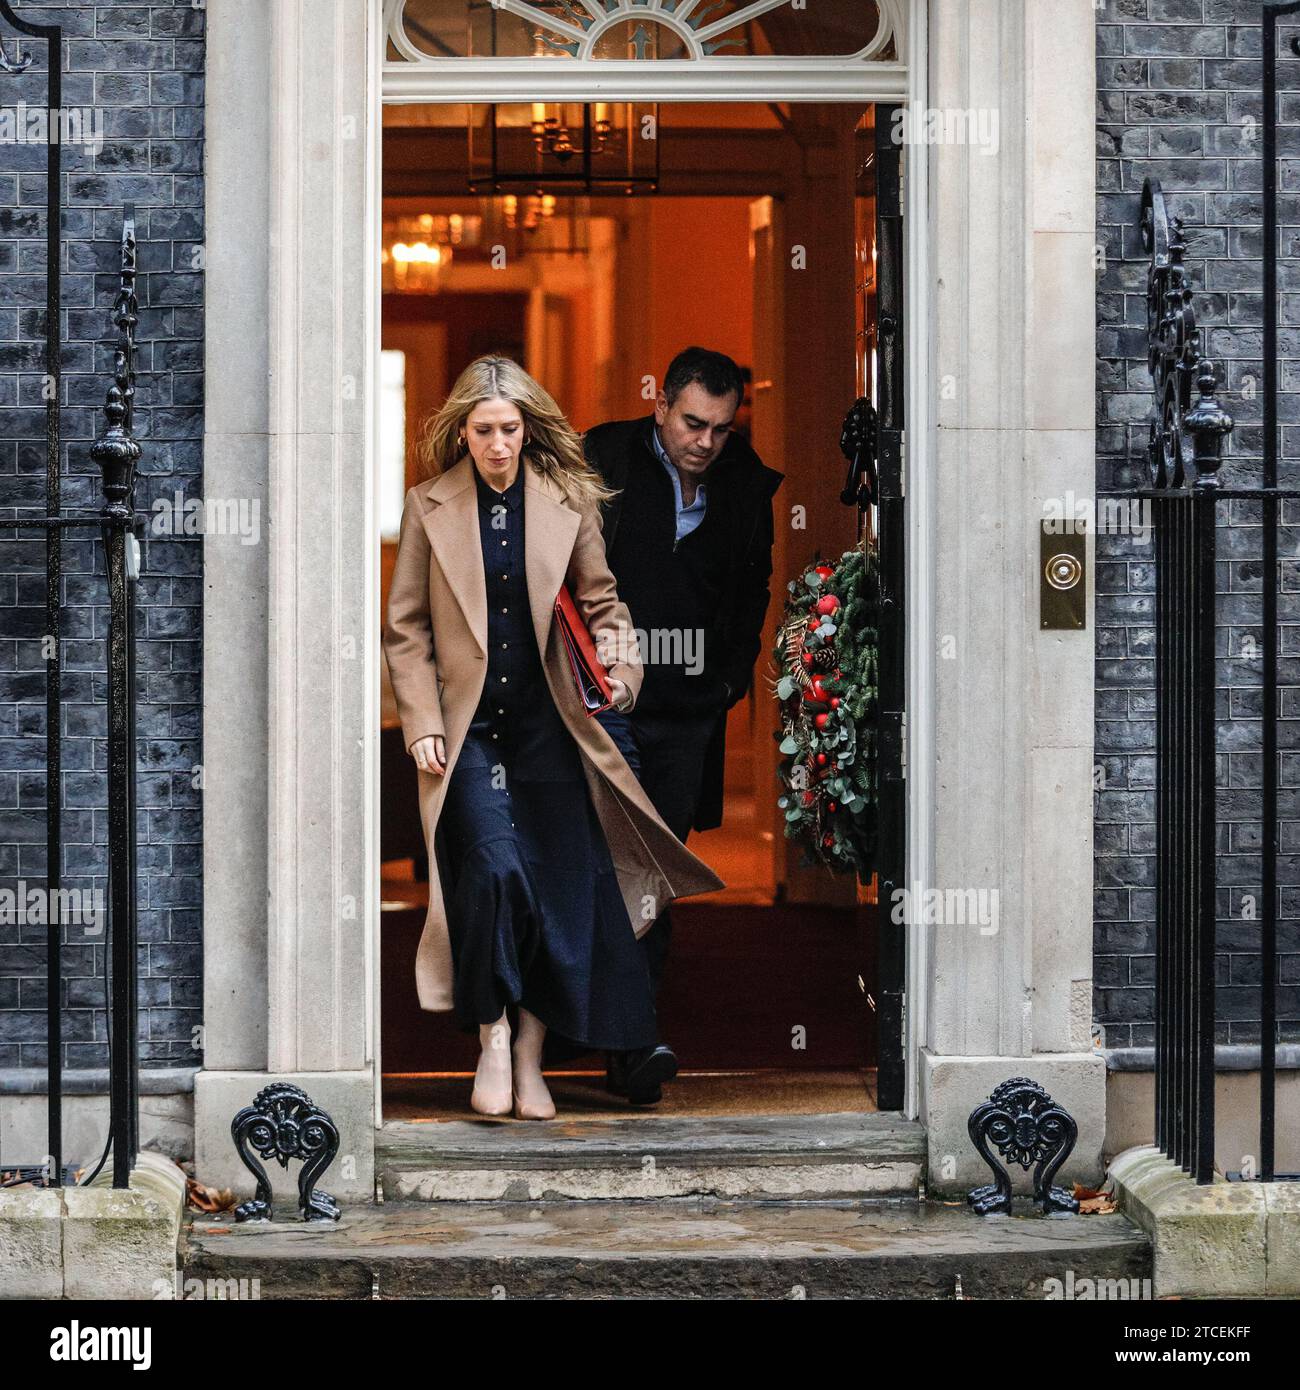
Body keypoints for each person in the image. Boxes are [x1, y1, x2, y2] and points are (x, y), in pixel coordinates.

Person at [381, 354, 723, 1120]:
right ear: (461, 432)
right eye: (483, 430)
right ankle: (492, 1035)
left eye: (509, 429)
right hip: (469, 734)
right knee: (495, 873)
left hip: (554, 731)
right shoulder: (427, 506)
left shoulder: (565, 501)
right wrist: (422, 725)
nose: (498, 443)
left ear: (527, 430)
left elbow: (604, 605)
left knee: (554, 892)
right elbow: (405, 630)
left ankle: (531, 1057)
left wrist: (623, 673)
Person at [582, 347, 784, 1103]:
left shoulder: (743, 483)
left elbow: (754, 585)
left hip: (686, 712)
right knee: (596, 863)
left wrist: (729, 680)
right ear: (660, 403)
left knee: (653, 878)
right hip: (599, 703)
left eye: (721, 429)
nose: (704, 440)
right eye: (693, 422)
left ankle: (630, 1042)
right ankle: (614, 1035)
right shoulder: (603, 456)